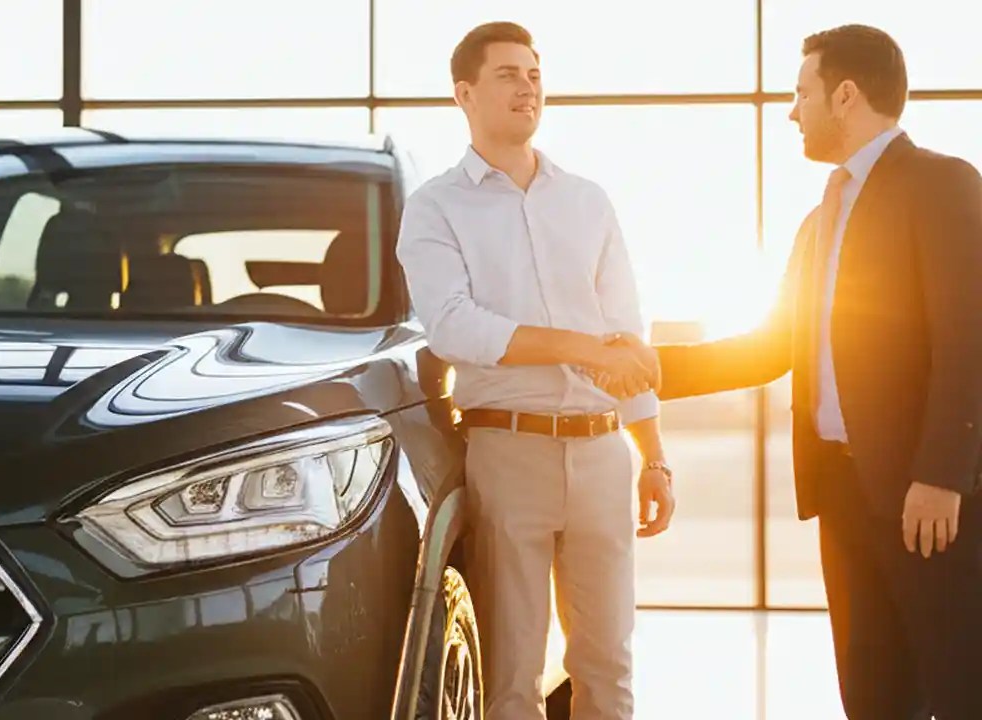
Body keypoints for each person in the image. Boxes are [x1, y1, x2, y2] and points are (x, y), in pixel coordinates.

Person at [640, 24, 982, 720]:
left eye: (802, 93)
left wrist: (943, 473)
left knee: (960, 688)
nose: (793, 111)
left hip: (925, 499)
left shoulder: (944, 182)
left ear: (846, 95)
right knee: (871, 699)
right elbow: (771, 347)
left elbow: (967, 336)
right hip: (843, 495)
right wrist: (647, 370)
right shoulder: (818, 220)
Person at [395, 21, 674, 720]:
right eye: (507, 75)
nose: (528, 86)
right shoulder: (434, 208)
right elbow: (455, 326)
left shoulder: (587, 201)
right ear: (464, 94)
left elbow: (626, 341)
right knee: (513, 669)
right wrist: (581, 349)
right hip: (507, 449)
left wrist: (656, 458)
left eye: (534, 73)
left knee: (607, 665)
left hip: (603, 455)